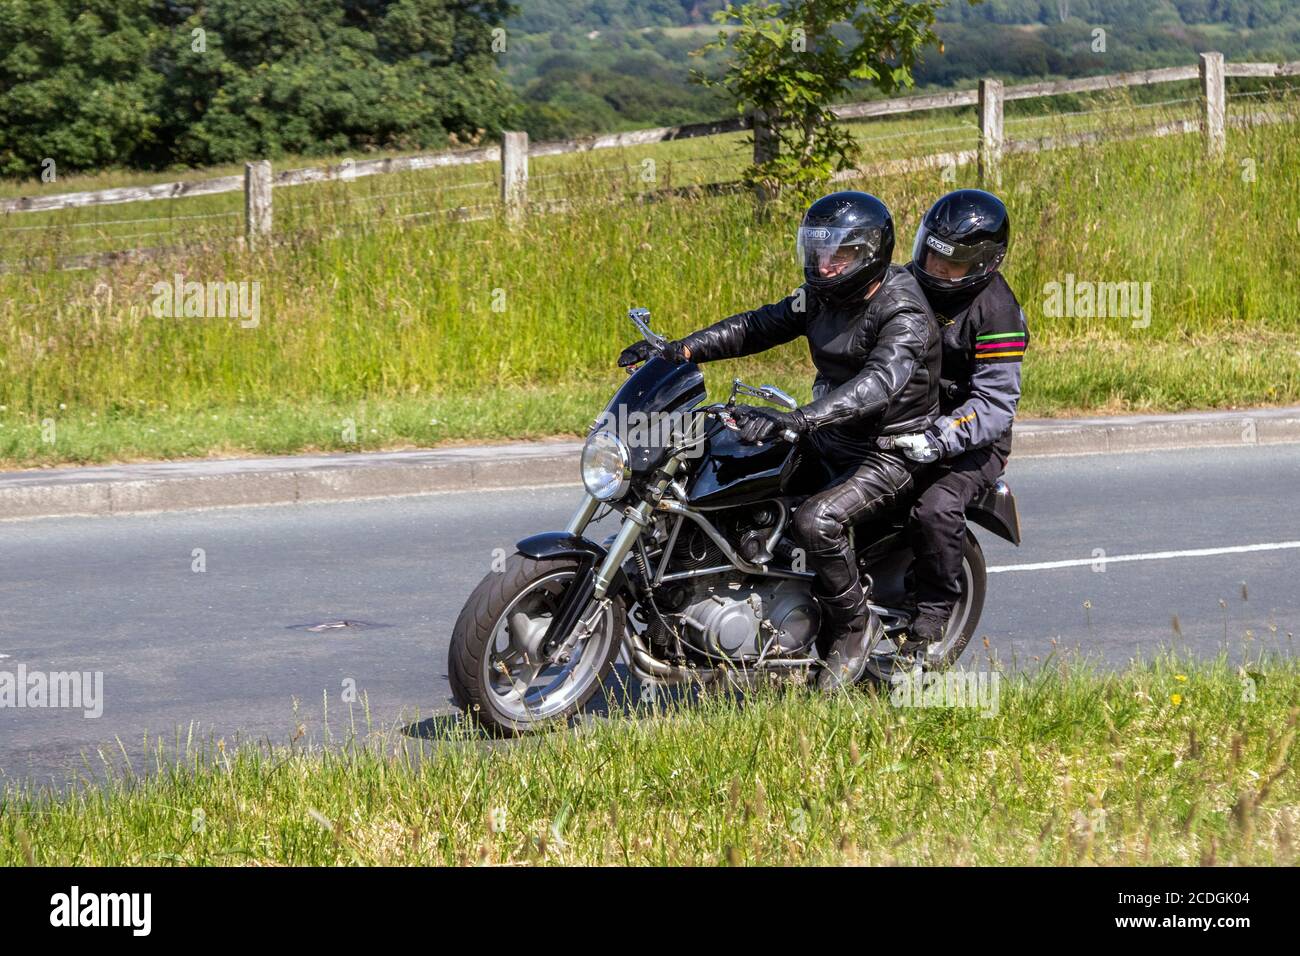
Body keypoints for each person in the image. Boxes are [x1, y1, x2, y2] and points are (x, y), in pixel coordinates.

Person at [617, 191, 940, 691]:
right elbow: (757, 325)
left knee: (816, 522)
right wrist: (680, 350)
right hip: (831, 433)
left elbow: (878, 382)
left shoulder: (903, 312)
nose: (825, 263)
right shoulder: (823, 295)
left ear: (871, 253)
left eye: (840, 253)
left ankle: (855, 626)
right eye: (818, 250)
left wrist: (802, 419)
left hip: (888, 449)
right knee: (725, 468)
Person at [885, 188, 1029, 656]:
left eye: (950, 265)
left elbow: (994, 403)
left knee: (935, 507)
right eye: (931, 255)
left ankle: (933, 617)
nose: (935, 270)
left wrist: (938, 439)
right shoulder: (905, 285)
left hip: (971, 441)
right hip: (905, 421)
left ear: (984, 263)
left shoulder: (997, 310)